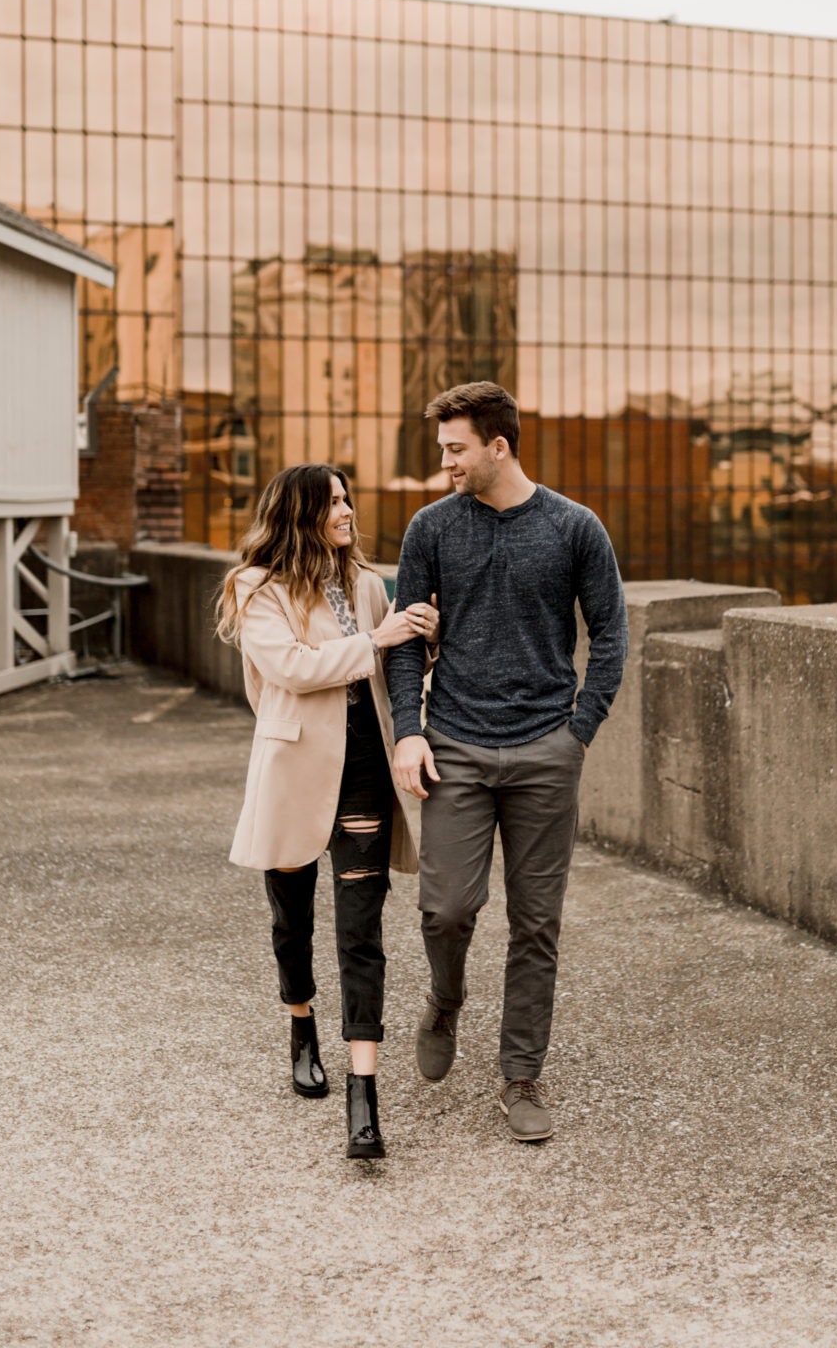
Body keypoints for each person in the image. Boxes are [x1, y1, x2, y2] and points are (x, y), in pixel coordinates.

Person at [386, 382, 628, 1143]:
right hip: (453, 742)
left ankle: (520, 1075)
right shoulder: (430, 528)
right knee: (447, 907)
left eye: (455, 449)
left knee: (536, 924)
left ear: (499, 446)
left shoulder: (573, 528)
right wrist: (408, 729)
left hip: (544, 751)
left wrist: (577, 733)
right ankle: (446, 998)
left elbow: (611, 637)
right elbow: (401, 638)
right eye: (441, 450)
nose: (445, 463)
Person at [217, 464, 439, 1159]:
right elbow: (292, 668)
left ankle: (363, 1096)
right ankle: (300, 1022)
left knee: (361, 928)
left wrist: (421, 640)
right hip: (290, 768)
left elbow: (383, 671)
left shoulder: (368, 584)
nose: (348, 510)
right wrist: (378, 639)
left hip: (365, 768)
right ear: (302, 513)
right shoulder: (258, 589)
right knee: (291, 914)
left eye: (348, 498)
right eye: (335, 501)